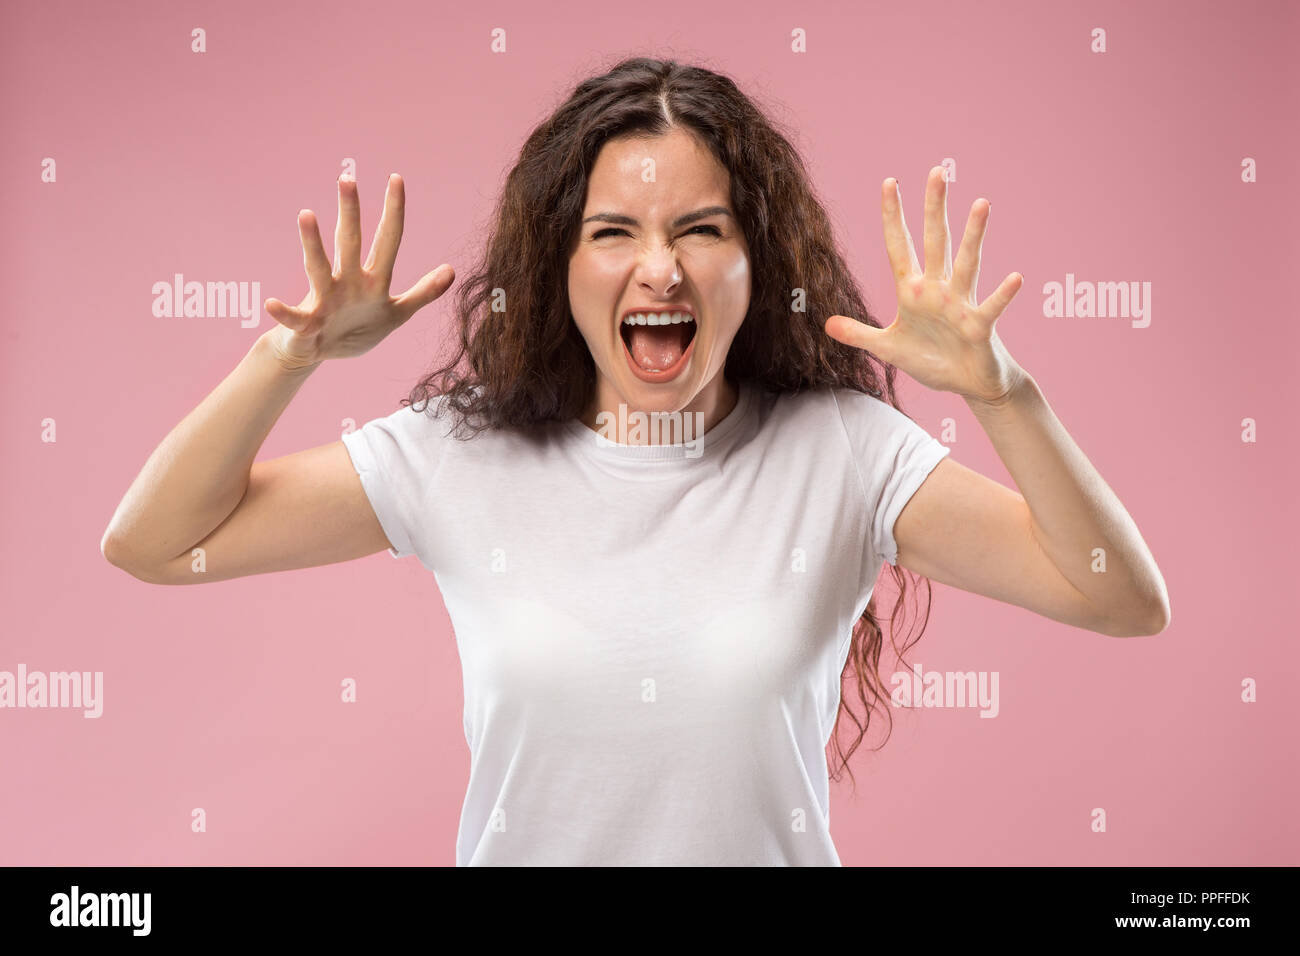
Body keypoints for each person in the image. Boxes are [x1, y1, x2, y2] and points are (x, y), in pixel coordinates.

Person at [101, 57, 1170, 866]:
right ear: (559, 264)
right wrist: (286, 355)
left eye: (701, 229)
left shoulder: (844, 454)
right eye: (612, 231)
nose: (659, 268)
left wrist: (1000, 394)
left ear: (759, 262)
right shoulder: (461, 455)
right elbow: (156, 542)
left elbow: (1120, 598)